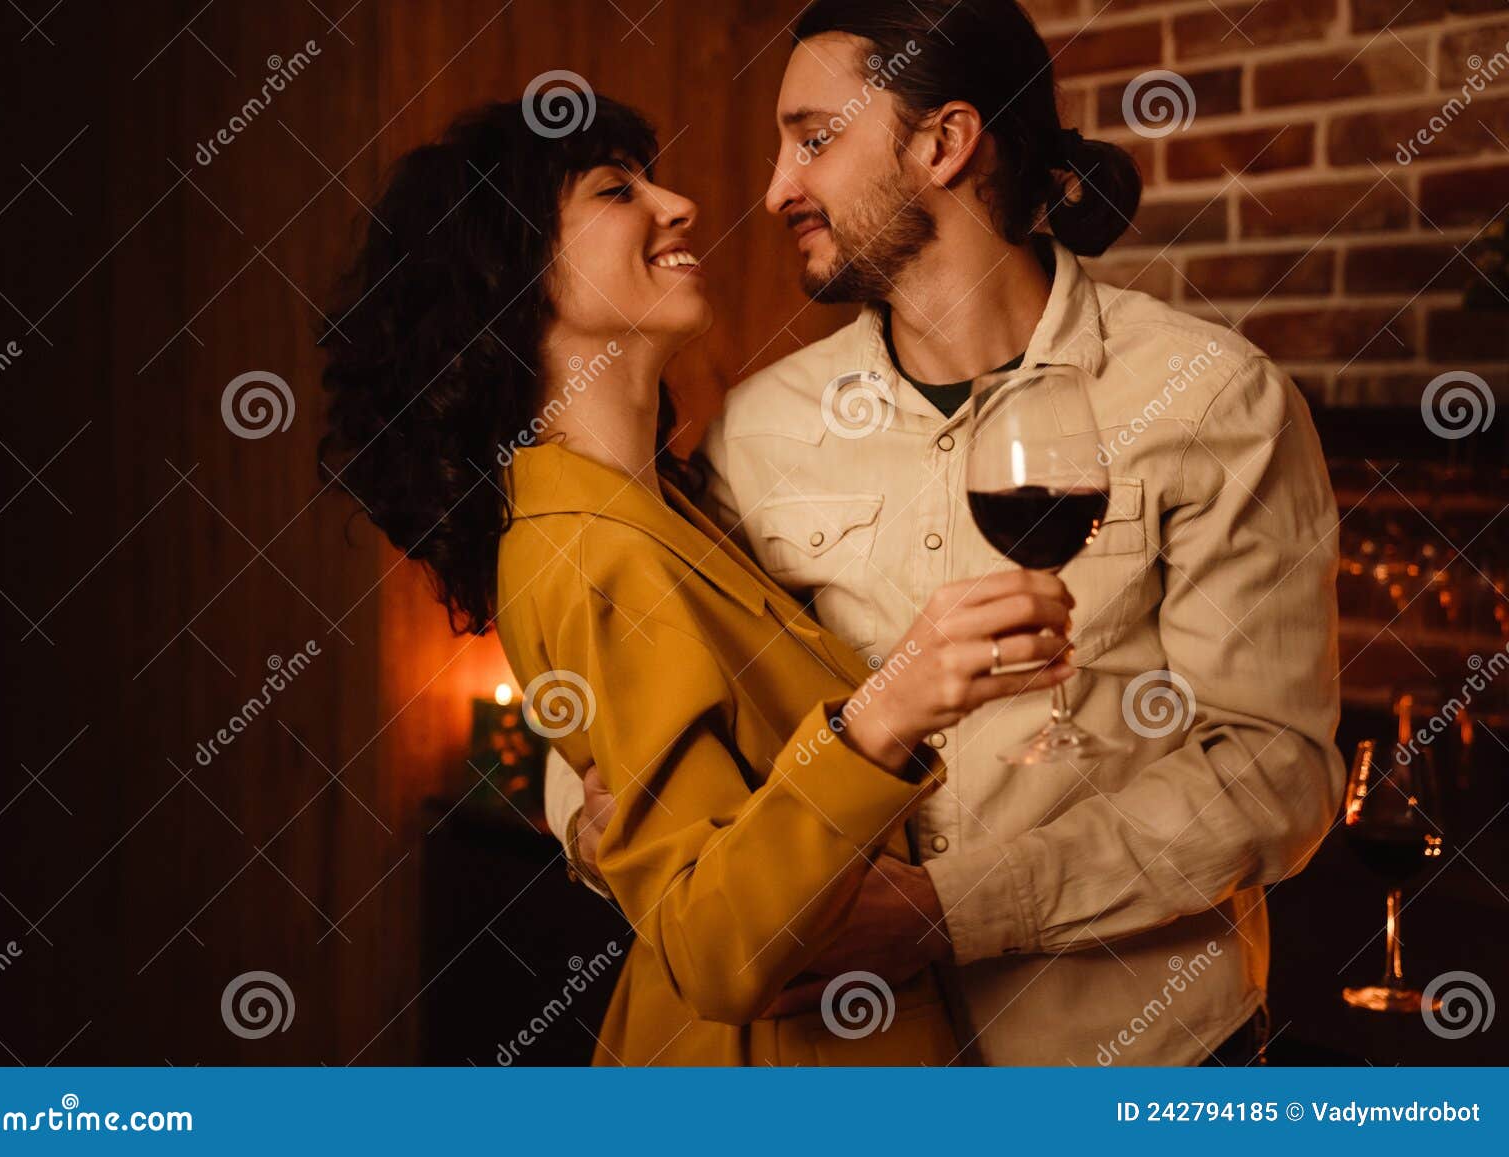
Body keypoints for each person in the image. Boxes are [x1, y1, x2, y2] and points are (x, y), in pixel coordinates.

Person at [548, 0, 1345, 1067]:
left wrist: (951, 908)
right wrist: (607, 836)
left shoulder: (1211, 399)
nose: (776, 187)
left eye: (814, 137)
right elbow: (623, 731)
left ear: (943, 142)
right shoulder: (758, 430)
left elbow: (1274, 773)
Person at [316, 96, 1081, 1065]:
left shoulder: (661, 508)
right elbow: (716, 945)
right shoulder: (590, 548)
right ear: (513, 275)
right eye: (616, 189)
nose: (679, 205)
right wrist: (889, 712)